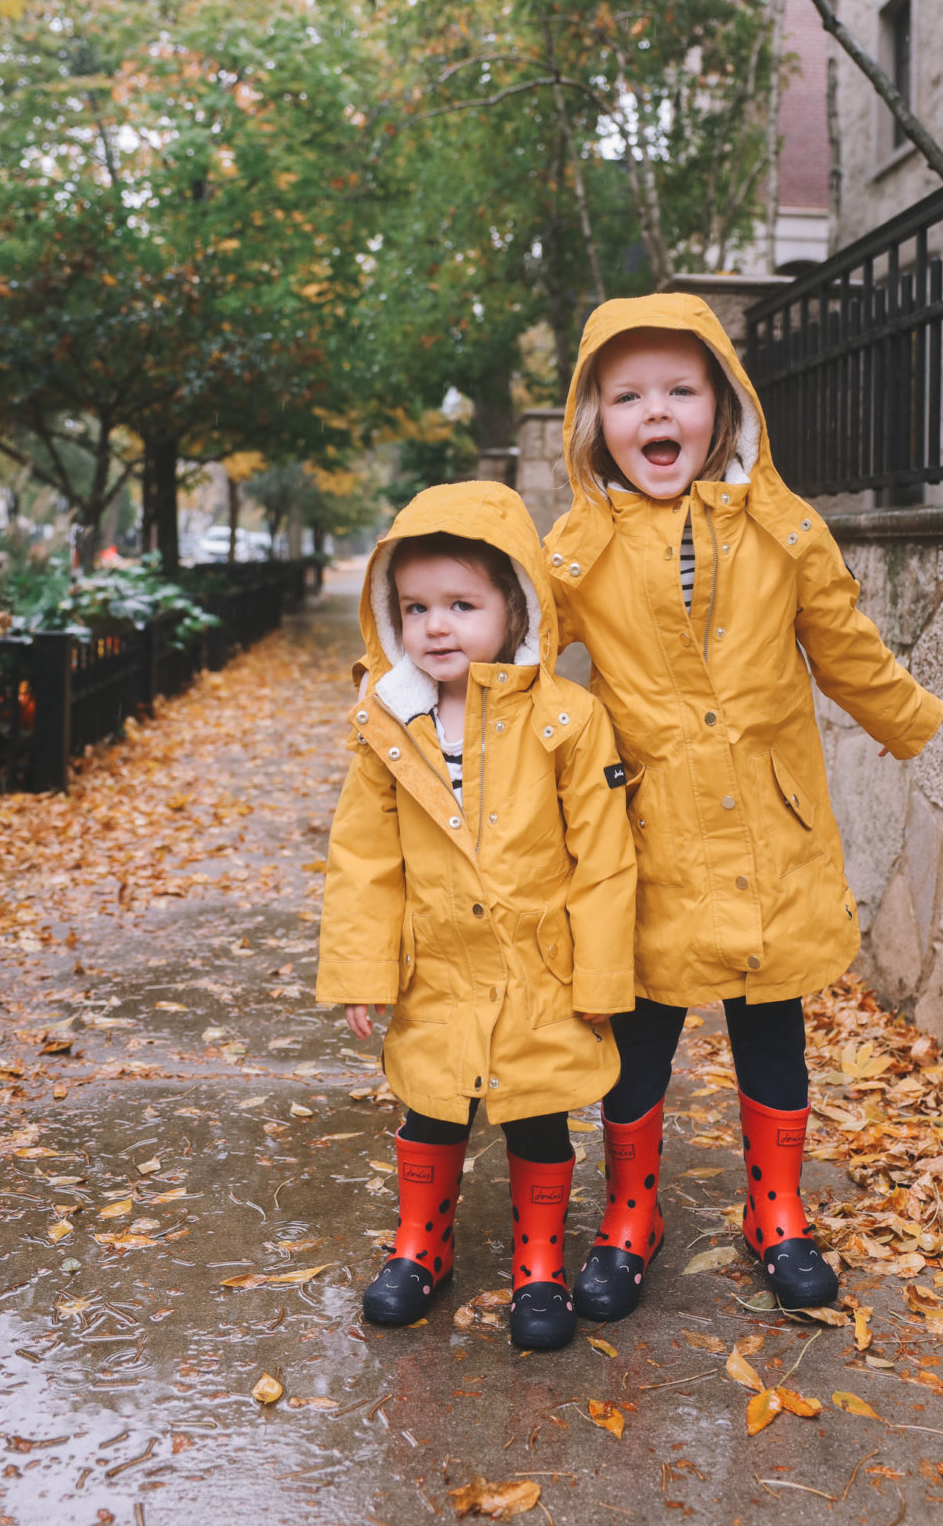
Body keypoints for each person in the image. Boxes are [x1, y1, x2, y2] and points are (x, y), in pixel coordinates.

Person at [547, 294, 943, 1323]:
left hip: (770, 830)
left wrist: (913, 717)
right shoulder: (581, 538)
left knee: (770, 1019)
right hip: (648, 833)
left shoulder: (784, 525)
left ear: (723, 411)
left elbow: (842, 640)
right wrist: (418, 692)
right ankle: (628, 1215)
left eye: (682, 389)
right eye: (630, 392)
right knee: (637, 1030)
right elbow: (515, 643)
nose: (658, 412)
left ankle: (777, 1209)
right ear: (594, 417)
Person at [316, 482, 637, 1351]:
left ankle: (539, 1259)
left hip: (541, 965)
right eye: (415, 608)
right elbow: (364, 856)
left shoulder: (566, 721)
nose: (437, 627)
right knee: (431, 1102)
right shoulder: (388, 722)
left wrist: (603, 975)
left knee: (536, 1106)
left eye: (462, 604)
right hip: (440, 964)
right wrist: (361, 969)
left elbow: (604, 860)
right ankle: (423, 1242)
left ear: (516, 606)